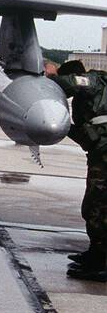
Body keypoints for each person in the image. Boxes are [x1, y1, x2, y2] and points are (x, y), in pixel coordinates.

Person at [45, 59, 107, 281]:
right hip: (100, 154)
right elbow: (83, 133)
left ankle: (102, 264)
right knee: (93, 206)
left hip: (104, 154)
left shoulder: (92, 80)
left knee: (99, 207)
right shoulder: (90, 99)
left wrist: (51, 78)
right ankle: (95, 254)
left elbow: (68, 82)